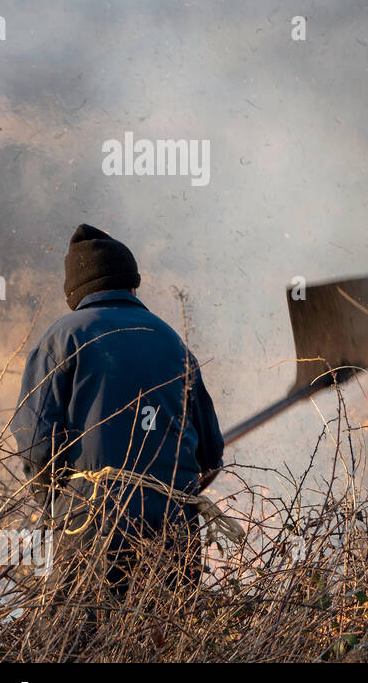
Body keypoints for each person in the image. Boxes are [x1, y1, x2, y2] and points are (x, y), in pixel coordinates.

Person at [13, 224, 224, 608]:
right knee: (170, 638)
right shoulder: (172, 340)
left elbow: (35, 442)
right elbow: (211, 453)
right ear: (132, 287)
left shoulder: (63, 337)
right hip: (174, 527)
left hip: (90, 519)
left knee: (79, 640)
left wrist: (54, 507)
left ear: (76, 292)